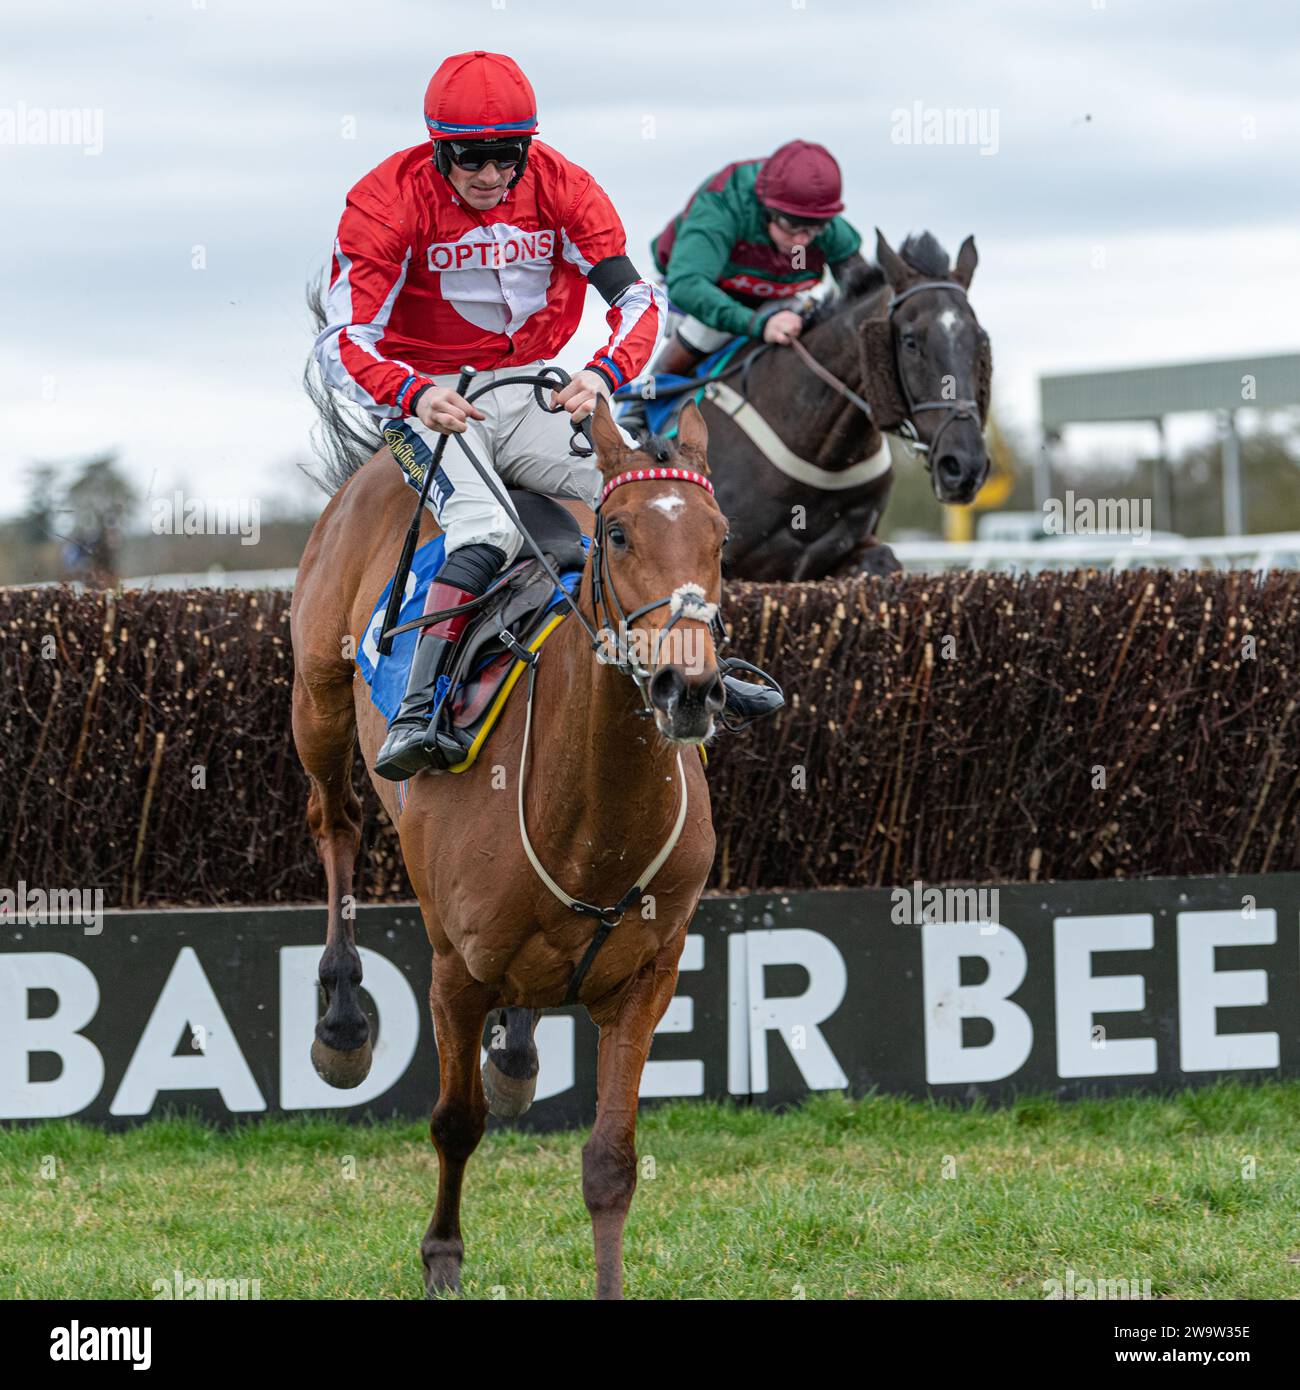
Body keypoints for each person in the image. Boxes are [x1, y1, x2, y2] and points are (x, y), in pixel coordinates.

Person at [315, 52, 777, 780]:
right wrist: (413, 395)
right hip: (433, 397)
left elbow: (639, 302)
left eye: (511, 155)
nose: (495, 174)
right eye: (474, 157)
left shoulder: (563, 187)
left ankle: (703, 667)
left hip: (535, 385)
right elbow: (343, 342)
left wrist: (602, 372)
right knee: (488, 527)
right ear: (438, 148)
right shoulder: (384, 202)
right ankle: (420, 705)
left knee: (652, 505)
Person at [622, 141, 868, 436]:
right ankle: (636, 411)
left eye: (814, 229)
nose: (803, 240)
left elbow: (865, 296)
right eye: (792, 226)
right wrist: (757, 324)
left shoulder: (828, 230)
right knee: (710, 330)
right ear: (767, 210)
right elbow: (688, 285)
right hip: (689, 295)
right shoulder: (723, 205)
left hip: (773, 298)